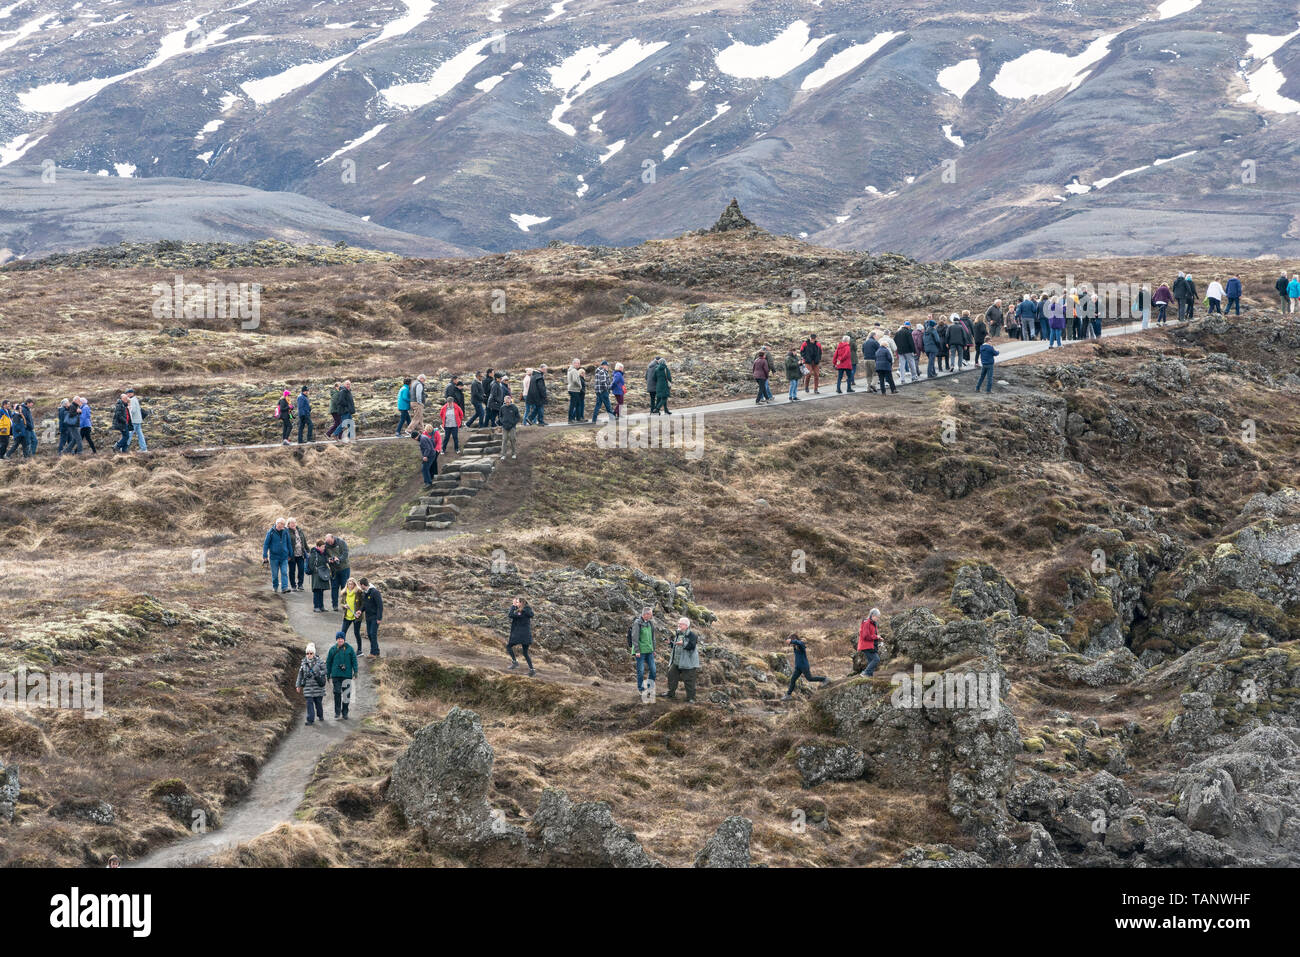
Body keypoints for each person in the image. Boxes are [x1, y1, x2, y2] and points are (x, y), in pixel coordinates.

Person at [661, 616, 700, 702]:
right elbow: (676, 645)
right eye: (678, 623)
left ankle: (691, 698)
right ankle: (670, 693)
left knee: (689, 680)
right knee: (671, 675)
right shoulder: (678, 633)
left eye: (681, 624)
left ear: (686, 625)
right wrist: (670, 643)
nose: (678, 625)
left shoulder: (692, 635)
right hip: (676, 661)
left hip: (688, 663)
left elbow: (691, 646)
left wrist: (683, 643)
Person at [781, 633, 828, 700]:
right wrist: (790, 641)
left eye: (791, 641)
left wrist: (792, 641)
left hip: (804, 666)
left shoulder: (801, 645)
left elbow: (799, 643)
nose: (791, 644)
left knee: (810, 678)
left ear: (794, 639)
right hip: (798, 667)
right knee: (793, 679)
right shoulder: (795, 647)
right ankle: (788, 695)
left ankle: (825, 679)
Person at [626, 607, 658, 699]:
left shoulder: (650, 623)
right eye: (651, 614)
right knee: (641, 670)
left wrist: (654, 649)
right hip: (640, 651)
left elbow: (653, 638)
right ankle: (640, 688)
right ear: (646, 614)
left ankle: (649, 688)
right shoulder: (637, 623)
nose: (652, 616)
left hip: (649, 651)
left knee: (653, 670)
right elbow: (634, 638)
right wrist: (637, 651)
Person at [325, 632, 357, 720]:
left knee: (346, 695)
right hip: (336, 675)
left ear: (344, 639)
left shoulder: (350, 649)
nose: (340, 640)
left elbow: (354, 661)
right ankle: (337, 712)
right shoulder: (332, 649)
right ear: (336, 640)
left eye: (341, 638)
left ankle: (345, 712)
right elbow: (328, 662)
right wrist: (328, 674)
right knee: (337, 693)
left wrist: (355, 672)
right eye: (338, 638)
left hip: (347, 675)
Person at [296, 642, 328, 725]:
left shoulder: (320, 662)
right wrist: (298, 685)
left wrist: (318, 673)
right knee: (309, 703)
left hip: (318, 687)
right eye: (307, 653)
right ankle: (310, 720)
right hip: (308, 688)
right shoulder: (303, 663)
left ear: (314, 653)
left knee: (318, 704)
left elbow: (326, 671)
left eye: (311, 653)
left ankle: (320, 715)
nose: (309, 655)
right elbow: (300, 675)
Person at [262, 518, 292, 593]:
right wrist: (264, 555)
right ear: (277, 523)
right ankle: (275, 586)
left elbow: (289, 543)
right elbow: (266, 544)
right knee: (275, 574)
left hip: (284, 556)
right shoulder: (271, 532)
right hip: (274, 557)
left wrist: (290, 554)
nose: (282, 526)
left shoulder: (286, 531)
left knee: (284, 572)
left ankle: (284, 588)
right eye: (281, 524)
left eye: (283, 524)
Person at [506, 596, 535, 676]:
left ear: (521, 603)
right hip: (526, 636)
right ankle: (532, 670)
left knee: (508, 646)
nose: (517, 603)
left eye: (518, 602)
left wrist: (513, 606)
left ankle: (515, 662)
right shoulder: (526, 611)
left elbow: (510, 615)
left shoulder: (522, 612)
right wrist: (516, 607)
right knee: (525, 653)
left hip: (520, 635)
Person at [323, 533, 350, 611]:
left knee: (344, 587)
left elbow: (345, 553)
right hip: (333, 570)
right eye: (328, 542)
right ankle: (334, 605)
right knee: (334, 588)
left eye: (330, 541)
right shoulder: (326, 545)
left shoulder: (341, 542)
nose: (329, 543)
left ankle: (344, 604)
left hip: (344, 568)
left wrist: (339, 559)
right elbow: (324, 555)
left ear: (333, 538)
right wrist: (328, 560)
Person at [360, 578, 383, 658]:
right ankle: (376, 651)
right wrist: (360, 611)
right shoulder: (365, 593)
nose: (360, 587)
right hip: (368, 617)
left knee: (373, 634)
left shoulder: (375, 592)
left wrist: (379, 618)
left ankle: (373, 653)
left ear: (363, 585)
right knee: (369, 634)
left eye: (360, 585)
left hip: (375, 617)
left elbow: (380, 606)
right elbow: (364, 605)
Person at [286, 517, 309, 592]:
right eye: (291, 523)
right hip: (292, 555)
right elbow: (285, 543)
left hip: (300, 554)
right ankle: (293, 585)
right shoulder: (286, 532)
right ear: (288, 524)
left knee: (301, 569)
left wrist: (307, 550)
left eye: (294, 522)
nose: (293, 524)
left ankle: (300, 584)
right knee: (292, 571)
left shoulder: (299, 530)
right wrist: (287, 554)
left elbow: (304, 541)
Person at [341, 578, 363, 653]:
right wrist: (344, 606)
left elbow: (362, 604)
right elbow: (341, 603)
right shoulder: (344, 592)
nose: (350, 585)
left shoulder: (358, 592)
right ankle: (342, 648)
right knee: (342, 632)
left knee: (356, 633)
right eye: (349, 584)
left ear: (354, 585)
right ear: (347, 584)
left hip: (356, 617)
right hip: (347, 616)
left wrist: (360, 611)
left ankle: (359, 650)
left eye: (352, 584)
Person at [308, 539, 330, 611]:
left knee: (321, 590)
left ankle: (321, 607)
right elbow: (311, 565)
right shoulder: (314, 554)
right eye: (323, 547)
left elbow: (325, 561)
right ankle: (316, 607)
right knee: (316, 590)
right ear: (318, 546)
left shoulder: (323, 553)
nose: (324, 548)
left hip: (322, 574)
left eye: (324, 547)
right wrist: (317, 571)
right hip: (316, 574)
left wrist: (329, 560)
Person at [858, 609, 881, 677]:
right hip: (866, 646)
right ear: (873, 615)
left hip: (871, 645)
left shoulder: (873, 623)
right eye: (877, 617)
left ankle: (869, 675)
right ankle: (865, 673)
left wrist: (878, 638)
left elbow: (872, 635)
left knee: (871, 661)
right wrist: (876, 637)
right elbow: (866, 636)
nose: (878, 618)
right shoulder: (866, 623)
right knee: (876, 659)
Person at [499, 394, 520, 459]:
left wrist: (513, 423)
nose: (507, 403)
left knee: (512, 439)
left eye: (508, 402)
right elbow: (500, 416)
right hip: (504, 426)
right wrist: (502, 422)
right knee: (504, 440)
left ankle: (513, 454)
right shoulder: (502, 407)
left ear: (510, 401)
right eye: (506, 402)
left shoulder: (514, 407)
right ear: (504, 401)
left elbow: (518, 417)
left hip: (512, 426)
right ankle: (503, 455)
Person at [566, 358, 584, 423]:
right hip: (574, 390)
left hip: (572, 389)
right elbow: (575, 380)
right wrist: (580, 386)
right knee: (574, 405)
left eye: (579, 363)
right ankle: (571, 419)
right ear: (574, 363)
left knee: (577, 404)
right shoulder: (574, 370)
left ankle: (578, 418)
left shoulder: (571, 370)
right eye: (578, 363)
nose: (579, 364)